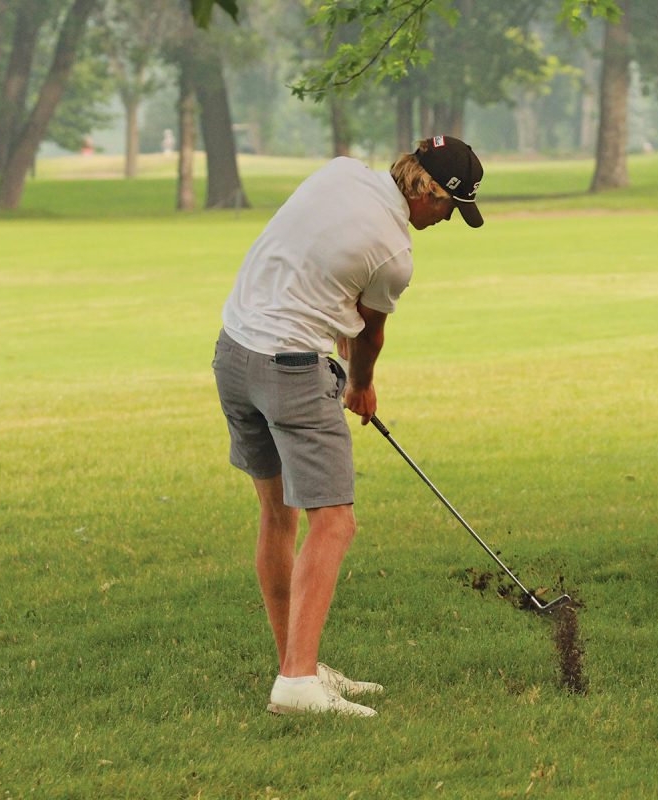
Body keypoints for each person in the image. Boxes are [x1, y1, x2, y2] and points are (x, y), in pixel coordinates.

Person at [212, 136, 484, 716]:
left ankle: (295, 663)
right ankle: (298, 684)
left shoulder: (340, 173)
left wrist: (335, 314)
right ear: (423, 188)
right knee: (334, 522)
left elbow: (314, 256)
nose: (445, 221)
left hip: (234, 354)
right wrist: (360, 386)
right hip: (291, 370)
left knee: (277, 514)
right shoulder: (394, 254)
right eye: (447, 208)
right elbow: (369, 334)